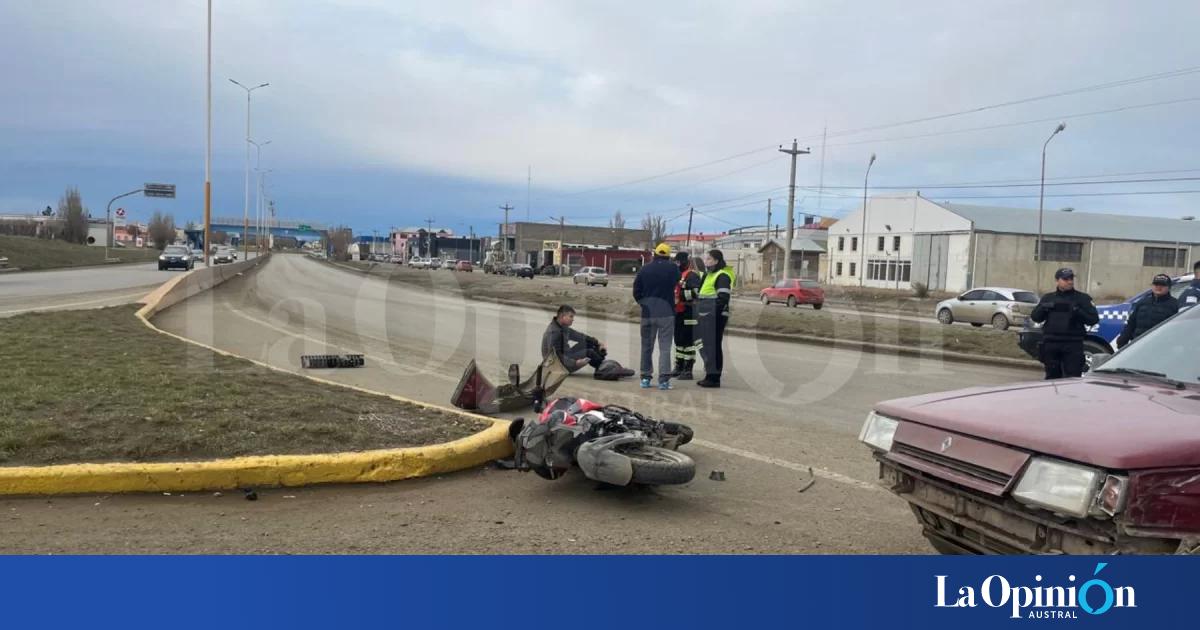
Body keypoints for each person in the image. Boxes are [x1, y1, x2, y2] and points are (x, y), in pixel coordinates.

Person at [1029, 268, 1099, 380]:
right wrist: (1043, 308)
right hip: (1051, 343)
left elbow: (1093, 319)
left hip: (1072, 344)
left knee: (1072, 378)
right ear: (1057, 281)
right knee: (1052, 377)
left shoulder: (1082, 298)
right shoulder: (1048, 298)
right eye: (1065, 279)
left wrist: (1077, 311)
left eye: (1071, 278)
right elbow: (1036, 318)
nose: (1070, 281)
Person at [633, 243, 681, 390]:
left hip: (648, 313)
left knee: (646, 347)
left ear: (654, 254)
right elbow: (677, 281)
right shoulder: (673, 269)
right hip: (666, 313)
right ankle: (664, 381)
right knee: (665, 347)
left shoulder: (644, 269)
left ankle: (645, 378)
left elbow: (636, 291)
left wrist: (644, 304)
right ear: (668, 256)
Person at [696, 249, 735, 388]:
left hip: (715, 317)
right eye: (705, 259)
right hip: (706, 316)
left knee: (713, 347)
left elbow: (723, 298)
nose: (706, 261)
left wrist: (710, 313)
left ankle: (714, 378)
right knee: (708, 346)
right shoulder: (708, 275)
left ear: (716, 261)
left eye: (709, 259)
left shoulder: (722, 275)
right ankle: (710, 375)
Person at [1116, 274, 1180, 348]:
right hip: (1138, 345)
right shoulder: (1142, 302)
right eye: (1156, 284)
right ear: (1152, 286)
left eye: (1162, 285)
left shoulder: (1175, 305)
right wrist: (1122, 340)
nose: (1158, 287)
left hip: (1160, 347)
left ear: (1169, 287)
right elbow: (1131, 323)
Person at [541, 304, 607, 374]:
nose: (573, 319)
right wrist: (575, 363)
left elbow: (579, 336)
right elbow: (555, 356)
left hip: (566, 356)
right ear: (562, 316)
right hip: (558, 366)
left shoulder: (562, 327)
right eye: (571, 316)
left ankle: (601, 365)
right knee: (589, 352)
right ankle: (603, 369)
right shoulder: (555, 332)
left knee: (588, 343)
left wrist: (597, 342)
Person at [671, 251, 703, 380]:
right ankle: (679, 365)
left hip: (689, 312)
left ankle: (688, 369)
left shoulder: (692, 275)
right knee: (678, 340)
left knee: (688, 341)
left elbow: (697, 292)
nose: (678, 264)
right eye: (676, 262)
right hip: (678, 312)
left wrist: (681, 296)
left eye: (680, 262)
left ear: (686, 262)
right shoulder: (677, 275)